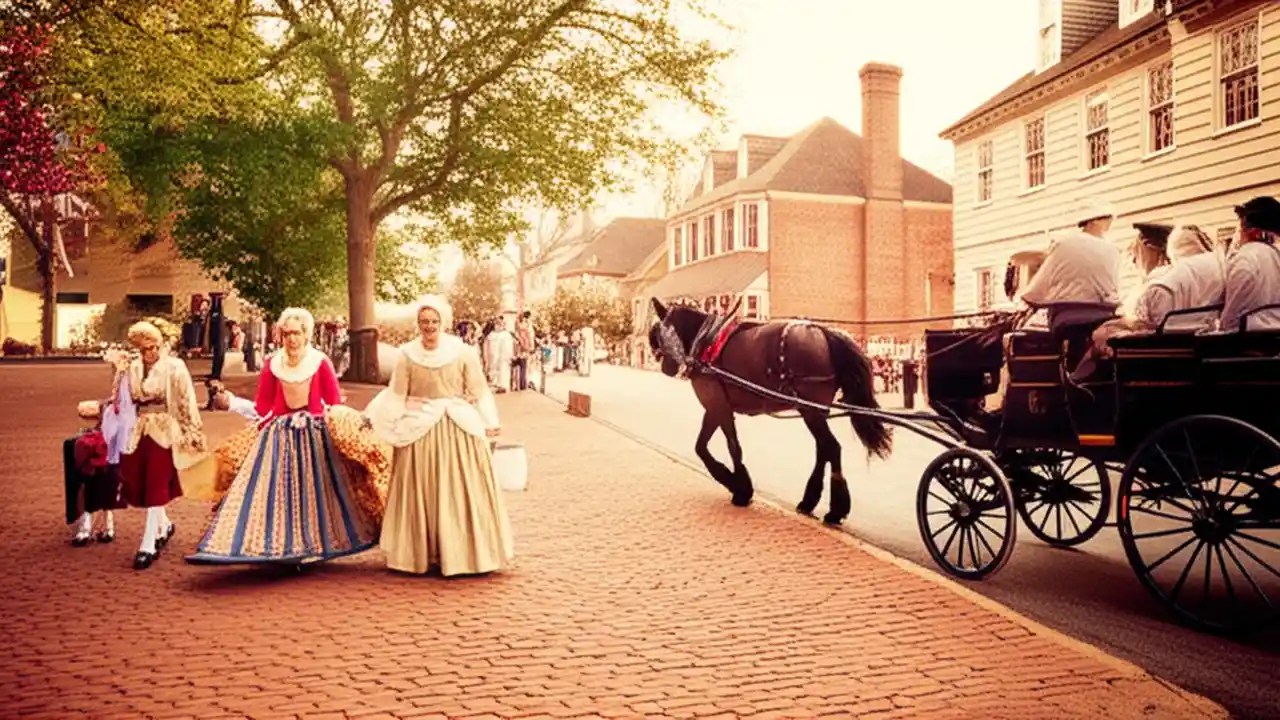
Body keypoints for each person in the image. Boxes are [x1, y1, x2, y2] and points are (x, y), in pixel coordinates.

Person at [186, 307, 389, 566]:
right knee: (277, 491)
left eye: (296, 333)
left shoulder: (319, 362)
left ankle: (312, 545)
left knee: (315, 492)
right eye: (286, 333)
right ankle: (280, 546)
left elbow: (333, 401)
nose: (291, 338)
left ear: (306, 335)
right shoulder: (273, 364)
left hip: (314, 435)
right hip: (278, 435)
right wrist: (234, 403)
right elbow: (263, 407)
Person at [364, 296, 514, 577]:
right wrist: (389, 422)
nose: (429, 326)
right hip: (419, 427)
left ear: (443, 323)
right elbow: (397, 394)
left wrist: (490, 420)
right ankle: (421, 553)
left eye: (434, 321)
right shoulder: (407, 355)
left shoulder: (463, 352)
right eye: (424, 322)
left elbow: (479, 389)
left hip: (457, 425)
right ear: (418, 324)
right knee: (420, 487)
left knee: (462, 486)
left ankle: (464, 554)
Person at [116, 321, 206, 570]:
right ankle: (164, 525)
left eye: (153, 347)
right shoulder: (131, 367)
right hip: (138, 430)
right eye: (144, 349)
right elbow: (121, 400)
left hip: (165, 430)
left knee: (156, 481)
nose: (149, 353)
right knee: (140, 479)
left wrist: (192, 431)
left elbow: (187, 400)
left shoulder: (174, 367)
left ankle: (147, 544)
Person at [1221, 196, 1280, 333]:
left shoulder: (1245, 258)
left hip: (1248, 343)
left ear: (1253, 232)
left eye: (1238, 229)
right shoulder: (1275, 255)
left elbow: (1231, 320)